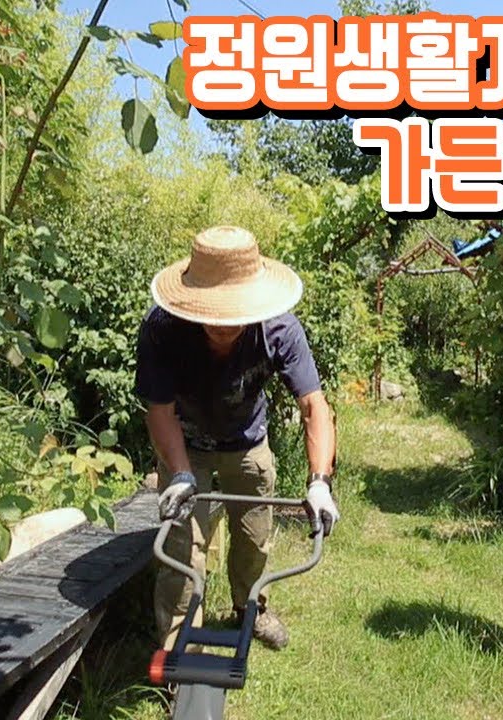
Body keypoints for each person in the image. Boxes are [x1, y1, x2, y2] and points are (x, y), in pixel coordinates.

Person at [136, 225, 341, 652]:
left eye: (232, 316)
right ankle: (178, 651)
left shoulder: (280, 329)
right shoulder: (163, 328)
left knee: (254, 539)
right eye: (212, 314)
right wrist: (178, 474)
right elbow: (160, 411)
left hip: (248, 443)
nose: (222, 326)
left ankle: (251, 609)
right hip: (185, 448)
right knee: (181, 550)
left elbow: (313, 407)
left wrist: (320, 482)